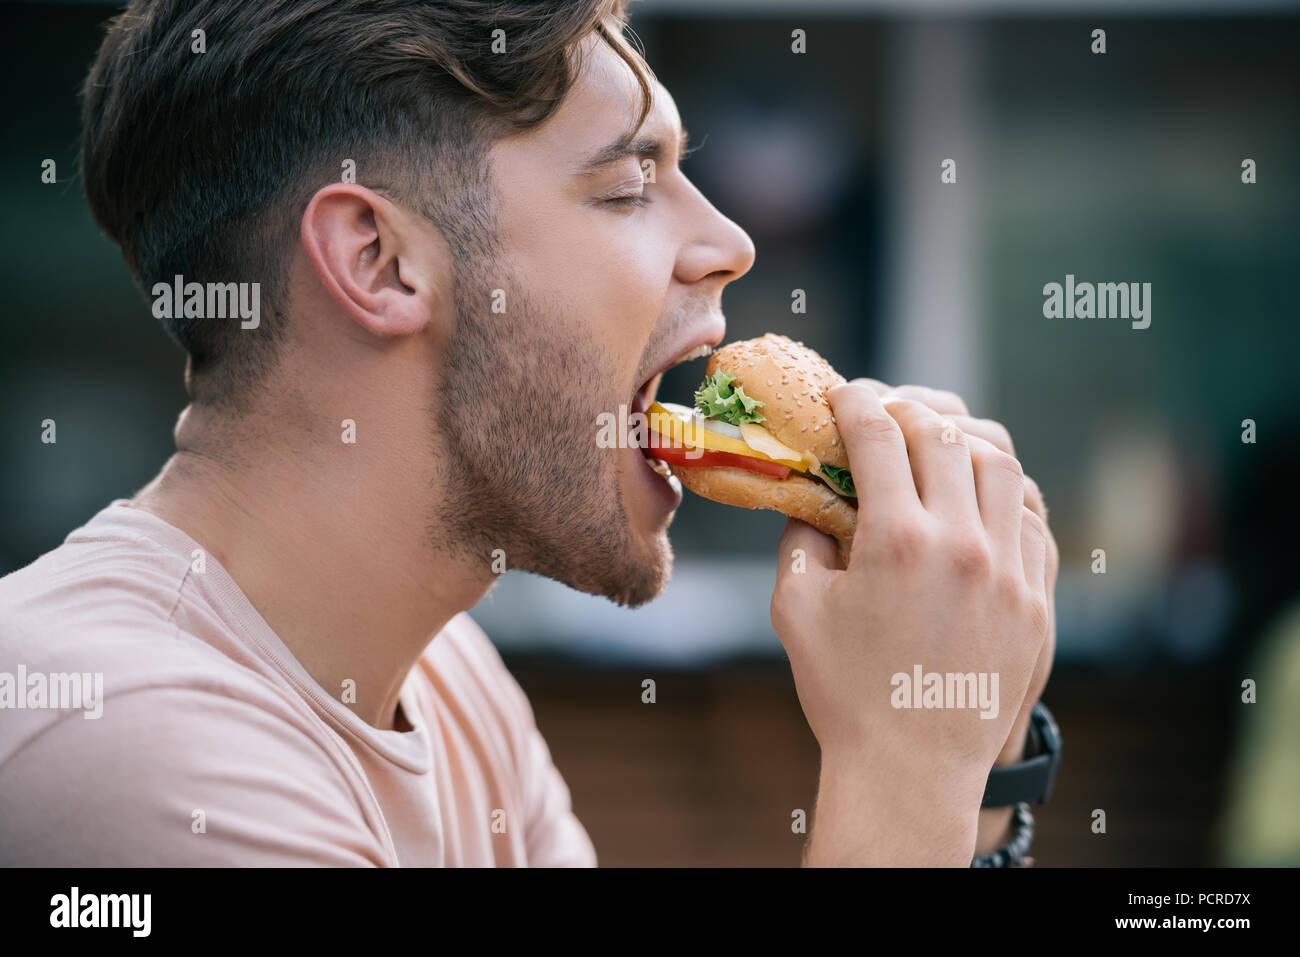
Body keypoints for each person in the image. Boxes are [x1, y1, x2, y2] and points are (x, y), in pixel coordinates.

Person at [0, 0, 1056, 866]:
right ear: (377, 261)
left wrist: (979, 759)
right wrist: (902, 763)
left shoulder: (452, 687)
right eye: (630, 185)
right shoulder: (122, 737)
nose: (729, 243)